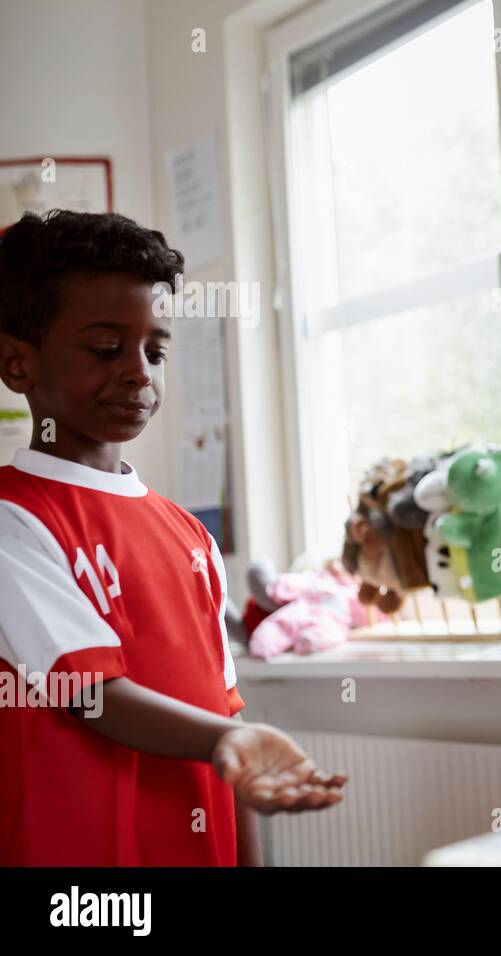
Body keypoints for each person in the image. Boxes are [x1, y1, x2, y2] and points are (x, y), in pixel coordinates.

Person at [0, 210, 346, 866]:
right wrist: (227, 740)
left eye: (154, 350)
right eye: (106, 348)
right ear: (18, 363)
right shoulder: (14, 518)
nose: (139, 372)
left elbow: (228, 721)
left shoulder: (189, 534)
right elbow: (93, 693)